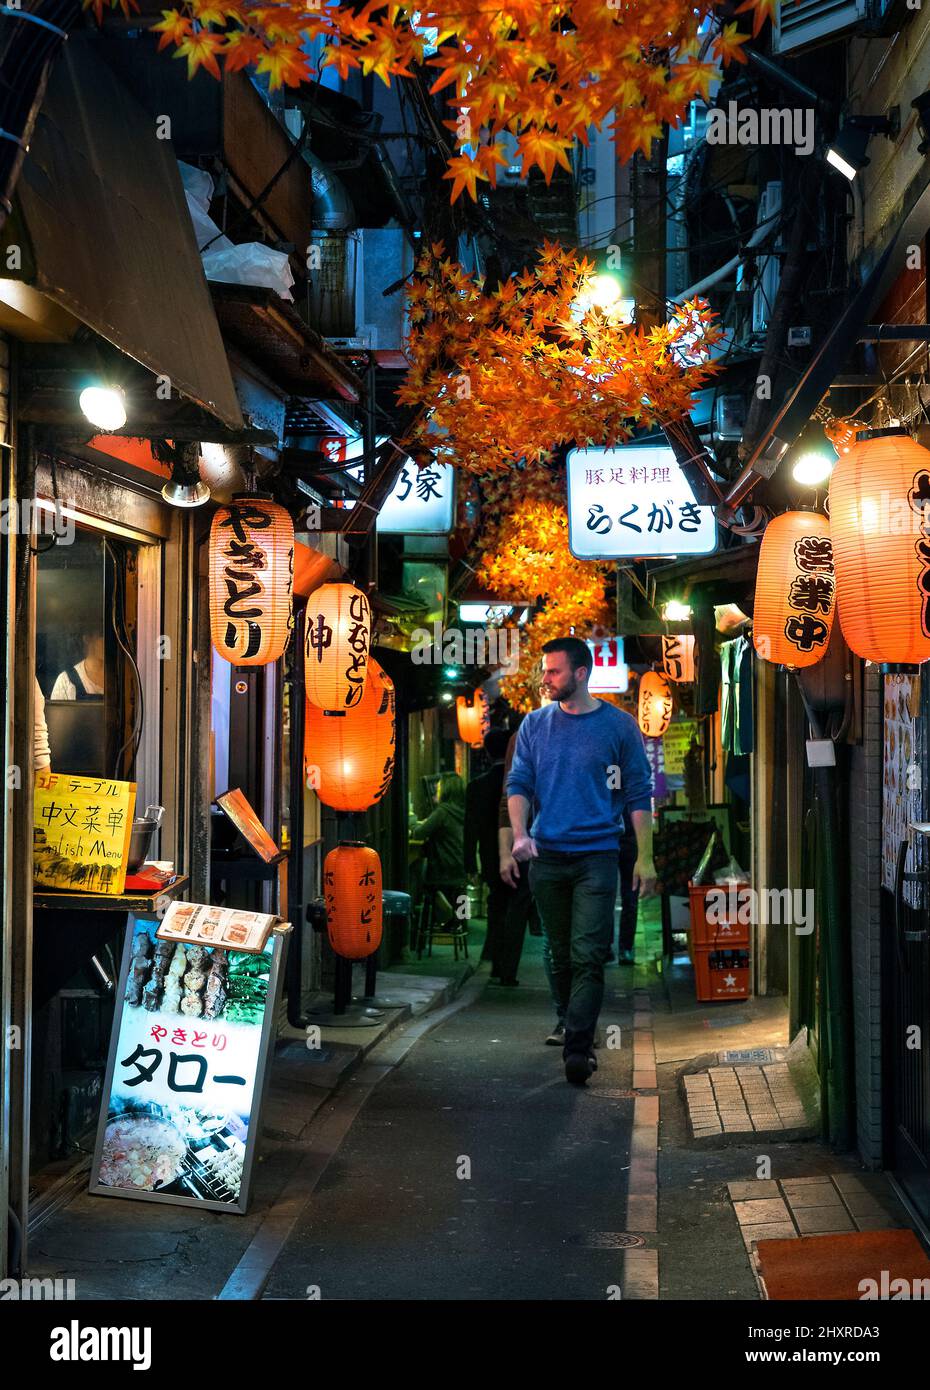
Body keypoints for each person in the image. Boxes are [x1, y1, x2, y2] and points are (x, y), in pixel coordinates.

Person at [504, 636, 656, 1085]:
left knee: (589, 954)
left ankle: (577, 1047)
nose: (545, 679)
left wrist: (644, 858)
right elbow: (519, 783)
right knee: (558, 952)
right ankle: (570, 1020)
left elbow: (637, 793)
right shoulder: (535, 725)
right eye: (544, 672)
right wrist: (519, 835)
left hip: (598, 856)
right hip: (547, 857)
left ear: (581, 673)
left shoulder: (619, 727)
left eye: (553, 671)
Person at [464, 728, 512, 979]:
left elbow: (469, 828)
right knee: (513, 906)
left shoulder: (477, 786)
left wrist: (470, 862)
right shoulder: (518, 782)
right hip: (517, 854)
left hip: (490, 855)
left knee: (496, 904)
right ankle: (505, 962)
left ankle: (493, 955)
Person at [411, 773, 467, 930]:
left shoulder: (443, 811)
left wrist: (414, 826)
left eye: (439, 789)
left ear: (446, 791)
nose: (437, 792)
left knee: (422, 883)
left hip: (444, 868)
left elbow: (419, 833)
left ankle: (443, 920)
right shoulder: (464, 810)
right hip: (462, 868)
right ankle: (461, 922)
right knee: (460, 890)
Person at [51, 631, 104, 700]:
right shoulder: (65, 681)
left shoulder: (120, 679)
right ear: (87, 638)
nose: (108, 641)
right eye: (102, 635)